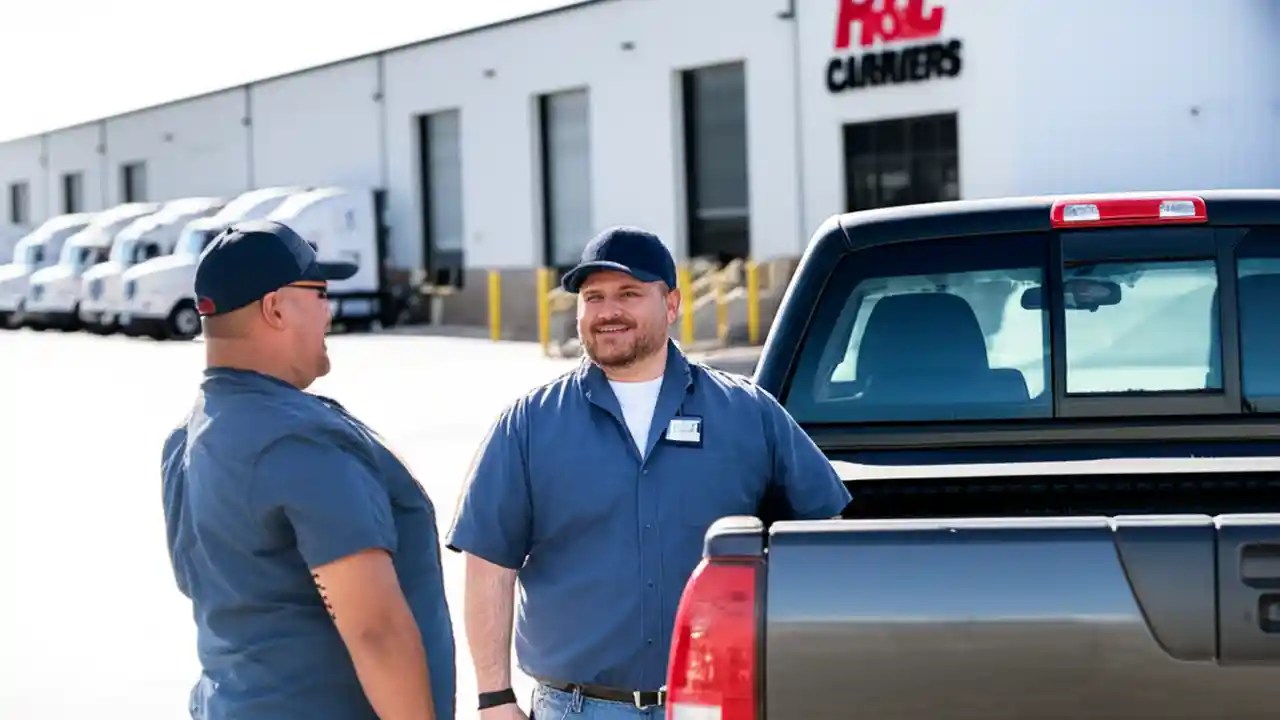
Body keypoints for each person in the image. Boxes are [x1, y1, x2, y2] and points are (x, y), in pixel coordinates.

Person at [446, 226, 852, 719]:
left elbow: (824, 539)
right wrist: (494, 697)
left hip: (716, 704)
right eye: (593, 297)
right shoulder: (529, 424)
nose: (608, 311)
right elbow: (489, 564)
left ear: (673, 304)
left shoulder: (748, 413)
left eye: (629, 293)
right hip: (577, 708)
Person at [160, 220, 455, 720]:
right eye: (319, 292)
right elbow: (375, 630)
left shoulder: (188, 438)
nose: (329, 310)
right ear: (275, 307)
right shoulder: (299, 440)